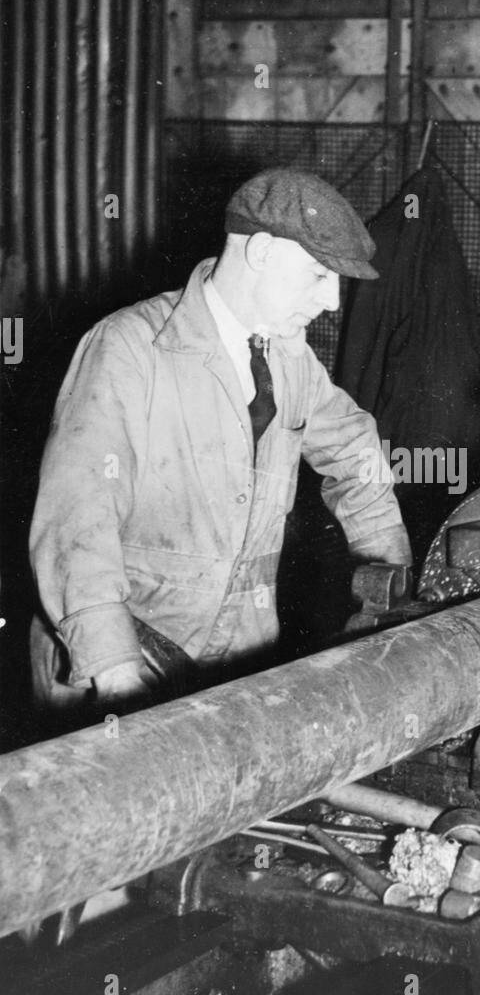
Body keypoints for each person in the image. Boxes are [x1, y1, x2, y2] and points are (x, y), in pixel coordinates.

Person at [29, 168, 412, 720]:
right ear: (260, 251)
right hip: (118, 659)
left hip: (236, 662)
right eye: (319, 275)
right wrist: (115, 671)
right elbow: (75, 521)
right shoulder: (130, 347)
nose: (332, 302)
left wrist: (389, 577)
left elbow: (354, 445)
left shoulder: (288, 358)